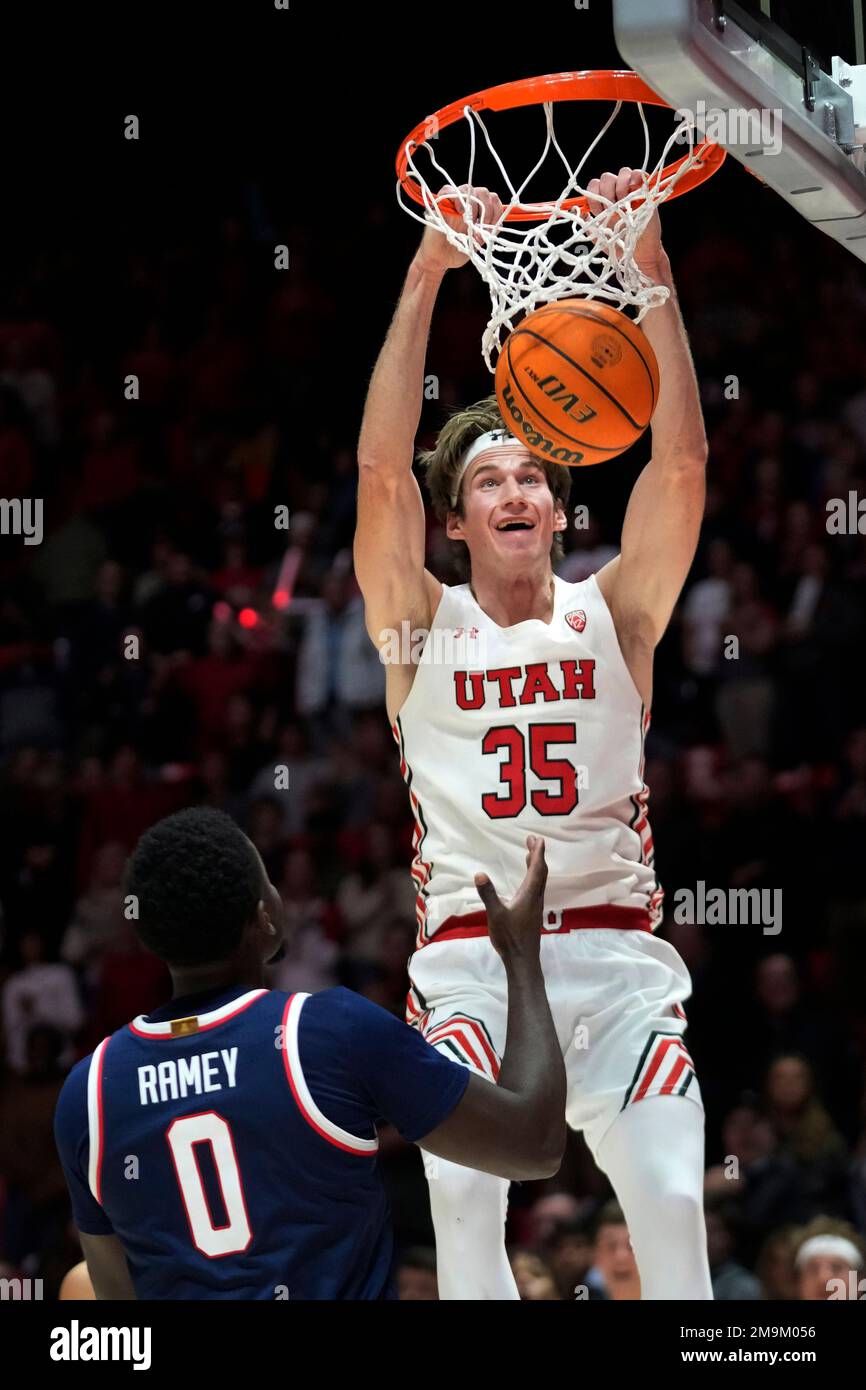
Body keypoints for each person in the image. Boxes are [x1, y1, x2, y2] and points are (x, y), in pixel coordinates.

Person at [354, 169, 712, 1298]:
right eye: (485, 480)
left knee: (670, 1207)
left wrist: (647, 268)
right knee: (462, 1202)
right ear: (457, 520)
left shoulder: (619, 612)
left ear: (557, 507)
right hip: (469, 965)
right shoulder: (421, 625)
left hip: (615, 961)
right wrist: (428, 269)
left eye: (530, 476)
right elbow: (378, 472)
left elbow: (682, 464)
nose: (512, 490)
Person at [53, 807, 565, 1299]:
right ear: (265, 915)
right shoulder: (328, 1032)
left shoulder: (90, 1092)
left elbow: (116, 1298)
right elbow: (534, 1145)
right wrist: (520, 954)